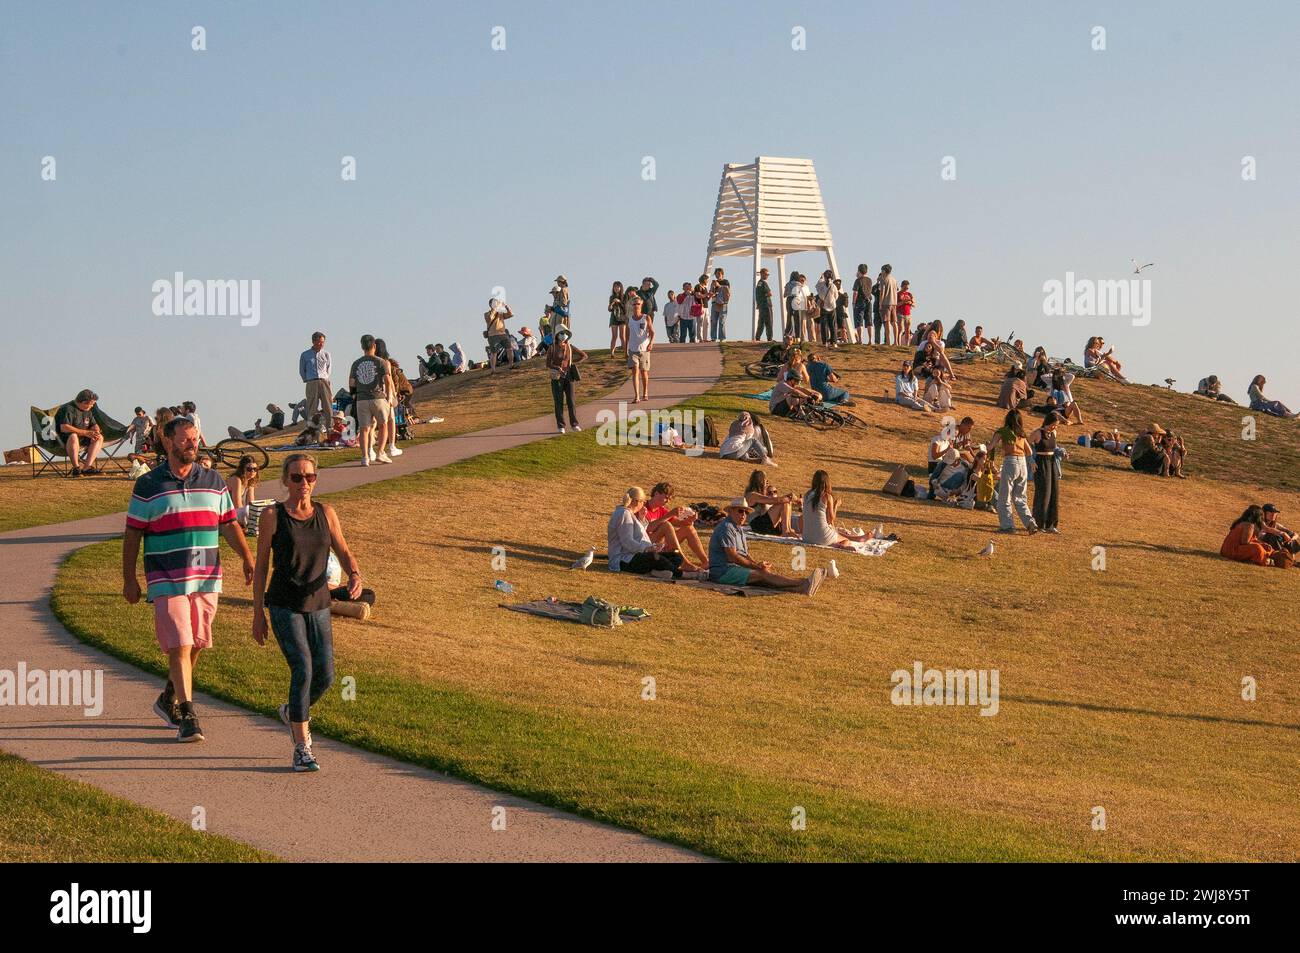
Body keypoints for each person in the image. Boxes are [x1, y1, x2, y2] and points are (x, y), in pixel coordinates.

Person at [124, 416, 253, 742]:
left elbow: (228, 524)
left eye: (195, 439)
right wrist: (129, 579)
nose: (193, 444)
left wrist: (248, 559)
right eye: (185, 439)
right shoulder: (149, 485)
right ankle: (188, 715)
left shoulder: (213, 479)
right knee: (180, 642)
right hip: (166, 577)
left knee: (197, 642)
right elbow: (132, 535)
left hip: (207, 577)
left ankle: (170, 696)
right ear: (168, 442)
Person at [252, 453, 364, 771]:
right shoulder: (273, 515)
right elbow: (261, 567)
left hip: (318, 604)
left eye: (310, 477)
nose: (304, 483)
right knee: (302, 667)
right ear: (285, 481)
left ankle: (293, 711)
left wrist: (354, 573)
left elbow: (343, 550)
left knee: (325, 675)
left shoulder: (326, 513)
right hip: (284, 603)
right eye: (297, 477)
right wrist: (258, 613)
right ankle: (302, 747)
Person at [708, 499, 825, 594]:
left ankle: (800, 588)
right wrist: (756, 566)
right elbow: (732, 556)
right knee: (763, 575)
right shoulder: (727, 528)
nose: (743, 515)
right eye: (740, 511)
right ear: (731, 511)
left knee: (764, 575)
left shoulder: (738, 528)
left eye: (746, 512)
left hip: (732, 569)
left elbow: (744, 554)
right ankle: (804, 582)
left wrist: (758, 565)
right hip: (723, 572)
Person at [607, 486, 691, 577]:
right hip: (624, 560)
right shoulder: (624, 514)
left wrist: (642, 519)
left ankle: (655, 571)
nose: (643, 504)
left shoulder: (629, 514)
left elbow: (639, 535)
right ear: (636, 501)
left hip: (636, 554)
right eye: (643, 502)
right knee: (653, 557)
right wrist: (647, 549)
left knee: (676, 557)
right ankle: (682, 574)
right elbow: (627, 542)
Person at [642, 482, 708, 570]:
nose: (667, 501)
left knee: (689, 529)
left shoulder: (661, 510)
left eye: (669, 499)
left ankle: (706, 562)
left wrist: (690, 520)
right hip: (646, 544)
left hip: (660, 545)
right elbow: (647, 528)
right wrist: (669, 514)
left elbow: (679, 523)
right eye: (666, 497)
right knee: (666, 525)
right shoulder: (643, 508)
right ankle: (684, 563)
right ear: (656, 493)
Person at [992, 410, 1038, 534]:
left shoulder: (1002, 431)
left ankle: (1007, 526)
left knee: (1004, 496)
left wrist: (986, 448)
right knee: (1020, 497)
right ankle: (1030, 522)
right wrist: (1031, 462)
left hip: (1010, 462)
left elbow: (992, 446)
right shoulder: (1021, 434)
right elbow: (1029, 451)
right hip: (1022, 463)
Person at [349, 334, 392, 467]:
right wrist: (389, 396)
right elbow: (387, 380)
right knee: (383, 424)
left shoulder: (356, 363)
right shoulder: (381, 362)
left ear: (362, 347)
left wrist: (354, 395)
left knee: (364, 429)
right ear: (374, 346)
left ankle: (365, 457)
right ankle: (380, 452)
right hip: (377, 396)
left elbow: (351, 382)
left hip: (361, 399)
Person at [802, 470, 870, 548]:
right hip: (822, 536)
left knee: (834, 532)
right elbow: (831, 520)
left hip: (806, 537)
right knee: (846, 540)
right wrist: (836, 505)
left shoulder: (807, 495)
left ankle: (856, 539)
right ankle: (843, 545)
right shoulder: (827, 496)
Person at [55, 388, 105, 476]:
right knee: (73, 436)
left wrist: (96, 430)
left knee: (99, 437)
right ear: (83, 402)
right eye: (91, 404)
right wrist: (86, 433)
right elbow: (64, 427)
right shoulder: (67, 409)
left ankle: (87, 467)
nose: (92, 406)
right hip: (65, 440)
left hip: (82, 439)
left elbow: (93, 424)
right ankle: (76, 468)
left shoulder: (87, 411)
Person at [546, 326, 587, 434]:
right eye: (561, 333)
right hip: (557, 377)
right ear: (557, 335)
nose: (564, 335)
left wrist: (571, 363)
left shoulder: (569, 346)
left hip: (568, 376)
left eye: (565, 333)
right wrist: (557, 367)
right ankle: (561, 426)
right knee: (558, 402)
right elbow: (548, 363)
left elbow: (583, 356)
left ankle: (574, 424)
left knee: (571, 401)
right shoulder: (552, 347)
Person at [1027, 412, 1062, 533]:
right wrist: (1031, 459)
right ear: (1048, 422)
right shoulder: (1038, 433)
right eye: (1053, 425)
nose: (1054, 428)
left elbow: (1054, 448)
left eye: (1056, 426)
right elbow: (1026, 444)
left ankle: (1051, 524)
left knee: (1054, 492)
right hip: (1041, 463)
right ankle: (1039, 522)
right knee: (1043, 492)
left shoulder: (1054, 433)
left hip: (1052, 463)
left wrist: (1062, 452)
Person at [743, 469, 800, 536]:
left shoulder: (758, 494)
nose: (767, 482)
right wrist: (791, 497)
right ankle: (786, 531)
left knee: (787, 502)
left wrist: (790, 498)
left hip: (764, 524)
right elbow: (774, 500)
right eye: (765, 480)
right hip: (758, 526)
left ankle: (788, 529)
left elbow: (774, 501)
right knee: (784, 502)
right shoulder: (752, 495)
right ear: (760, 481)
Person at [299, 332, 332, 442]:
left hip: (324, 381)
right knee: (312, 408)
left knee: (328, 407)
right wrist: (307, 380)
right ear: (313, 341)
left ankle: (330, 433)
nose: (321, 344)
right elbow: (302, 370)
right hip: (311, 382)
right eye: (319, 342)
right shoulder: (305, 355)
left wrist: (326, 379)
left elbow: (328, 368)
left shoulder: (326, 354)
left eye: (322, 342)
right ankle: (312, 436)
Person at [627, 289, 655, 403]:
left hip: (644, 349)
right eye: (634, 304)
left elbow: (652, 332)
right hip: (633, 350)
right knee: (635, 371)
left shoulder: (646, 317)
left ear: (641, 304)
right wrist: (626, 350)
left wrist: (651, 343)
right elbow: (626, 336)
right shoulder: (629, 320)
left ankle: (645, 392)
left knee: (644, 372)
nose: (636, 306)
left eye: (638, 304)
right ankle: (636, 395)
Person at [226, 455, 260, 527]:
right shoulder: (236, 480)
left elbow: (251, 504)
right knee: (245, 513)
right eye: (249, 469)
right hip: (224, 512)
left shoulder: (250, 481)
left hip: (233, 512)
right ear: (242, 469)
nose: (252, 471)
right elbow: (237, 505)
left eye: (255, 469)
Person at [876, 264, 899, 345]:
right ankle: (896, 341)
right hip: (894, 303)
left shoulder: (883, 279)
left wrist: (880, 304)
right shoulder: (894, 279)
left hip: (886, 303)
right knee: (894, 322)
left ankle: (888, 341)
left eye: (882, 270)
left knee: (887, 322)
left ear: (884, 271)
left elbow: (882, 292)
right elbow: (896, 290)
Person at [851, 264, 873, 344]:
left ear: (859, 271)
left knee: (859, 321)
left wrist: (853, 302)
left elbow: (855, 292)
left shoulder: (858, 280)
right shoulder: (869, 280)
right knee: (869, 321)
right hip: (869, 301)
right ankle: (870, 340)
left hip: (860, 302)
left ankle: (860, 340)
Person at [815, 270, 836, 346]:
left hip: (824, 307)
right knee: (832, 325)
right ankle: (833, 342)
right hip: (832, 307)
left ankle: (825, 342)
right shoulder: (833, 286)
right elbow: (836, 296)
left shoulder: (821, 285)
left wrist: (821, 278)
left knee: (824, 325)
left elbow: (817, 287)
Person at [754, 267, 774, 341]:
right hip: (766, 305)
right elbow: (769, 293)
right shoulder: (763, 283)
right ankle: (770, 338)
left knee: (761, 323)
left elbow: (757, 295)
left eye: (768, 274)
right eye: (766, 274)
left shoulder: (759, 283)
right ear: (762, 274)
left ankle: (757, 337)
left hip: (761, 306)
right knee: (769, 322)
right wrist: (765, 295)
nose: (767, 276)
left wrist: (759, 303)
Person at [607, 280, 627, 352]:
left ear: (620, 288)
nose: (616, 288)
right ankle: (612, 353)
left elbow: (625, 307)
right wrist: (612, 303)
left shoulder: (624, 296)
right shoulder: (611, 297)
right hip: (614, 318)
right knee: (614, 336)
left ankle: (625, 352)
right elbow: (609, 309)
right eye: (614, 287)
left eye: (618, 287)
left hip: (622, 318)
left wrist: (619, 302)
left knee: (622, 336)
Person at [896, 279, 915, 344]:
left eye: (907, 287)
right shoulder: (898, 294)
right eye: (905, 287)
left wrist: (910, 302)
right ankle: (898, 343)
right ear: (902, 286)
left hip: (908, 314)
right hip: (900, 313)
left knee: (907, 330)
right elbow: (896, 305)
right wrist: (904, 302)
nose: (906, 289)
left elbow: (913, 304)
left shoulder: (909, 294)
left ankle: (907, 344)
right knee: (900, 329)